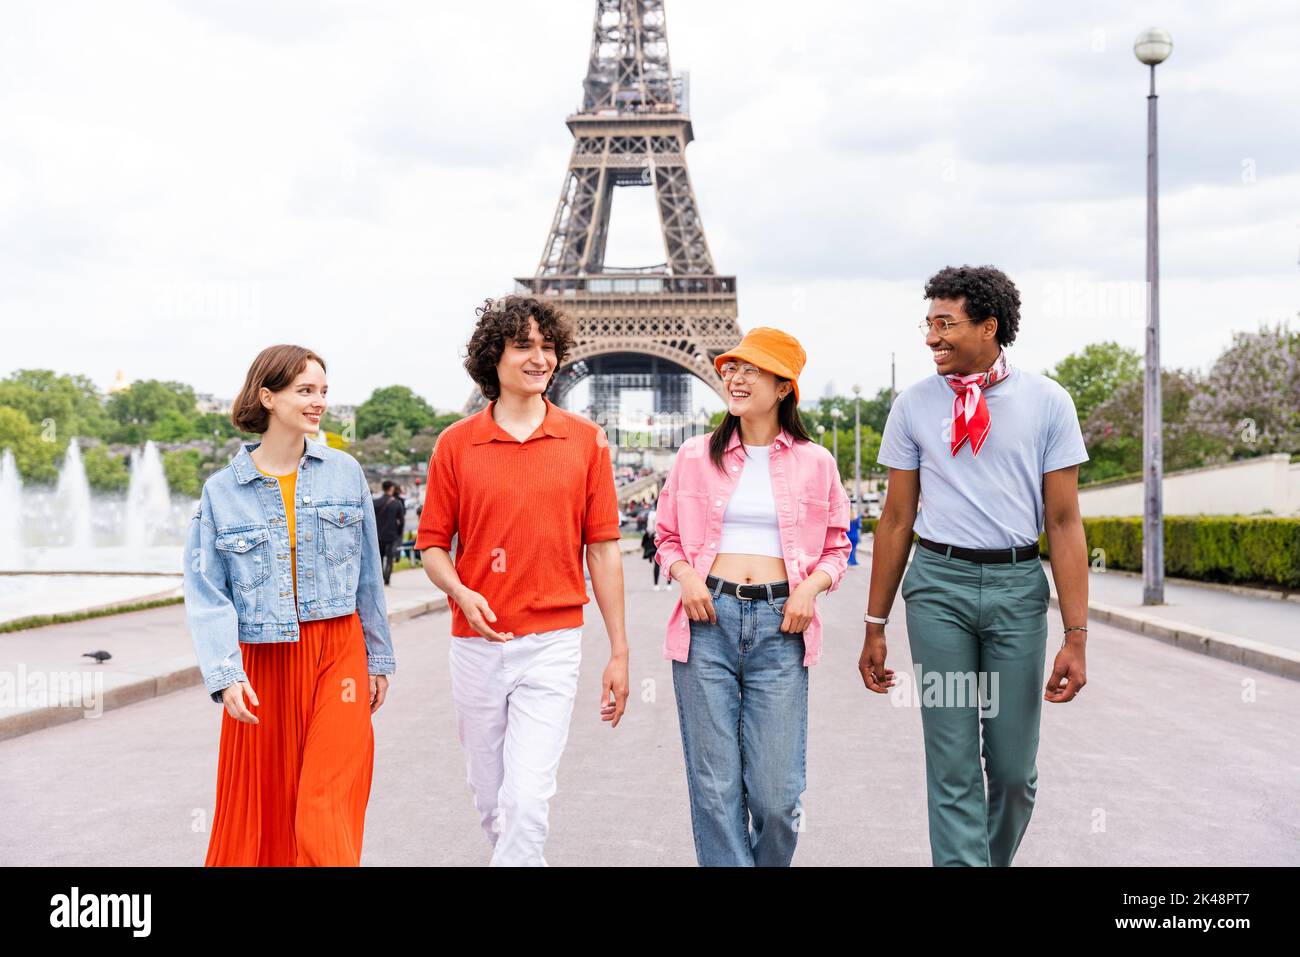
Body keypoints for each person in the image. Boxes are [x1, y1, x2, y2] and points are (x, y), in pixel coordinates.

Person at [859, 265, 1090, 867]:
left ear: (989, 326)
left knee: (1014, 773)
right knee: (953, 763)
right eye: (927, 324)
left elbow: (1064, 524)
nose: (931, 337)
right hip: (939, 591)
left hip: (1017, 590)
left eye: (945, 324)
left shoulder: (1048, 402)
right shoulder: (912, 405)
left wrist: (1076, 634)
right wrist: (874, 623)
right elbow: (895, 520)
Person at [416, 296, 630, 866]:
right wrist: (460, 591)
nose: (540, 358)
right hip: (476, 643)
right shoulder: (456, 444)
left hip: (553, 643)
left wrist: (619, 652)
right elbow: (433, 546)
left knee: (528, 800)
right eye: (524, 346)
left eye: (548, 346)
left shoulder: (586, 441)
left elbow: (604, 551)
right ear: (495, 357)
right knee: (493, 803)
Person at [183, 344, 395, 866]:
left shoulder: (345, 472)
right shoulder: (221, 492)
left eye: (323, 391)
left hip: (338, 653)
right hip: (264, 661)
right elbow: (206, 591)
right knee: (266, 809)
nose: (319, 401)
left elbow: (369, 576)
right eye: (305, 390)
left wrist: (379, 658)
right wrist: (225, 673)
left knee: (324, 803)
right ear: (268, 397)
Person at [654, 326, 851, 866]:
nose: (735, 377)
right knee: (715, 790)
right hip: (706, 622)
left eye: (752, 369)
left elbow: (838, 546)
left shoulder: (818, 462)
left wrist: (811, 587)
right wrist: (686, 576)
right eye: (731, 368)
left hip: (781, 625)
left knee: (777, 796)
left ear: (784, 386)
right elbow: (665, 536)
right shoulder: (695, 455)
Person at [372, 480, 404, 585]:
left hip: (379, 535)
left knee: (379, 558)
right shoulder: (397, 503)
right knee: (389, 558)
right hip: (392, 535)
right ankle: (387, 578)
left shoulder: (375, 502)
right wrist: (399, 534)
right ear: (391, 488)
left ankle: (380, 578)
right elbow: (402, 521)